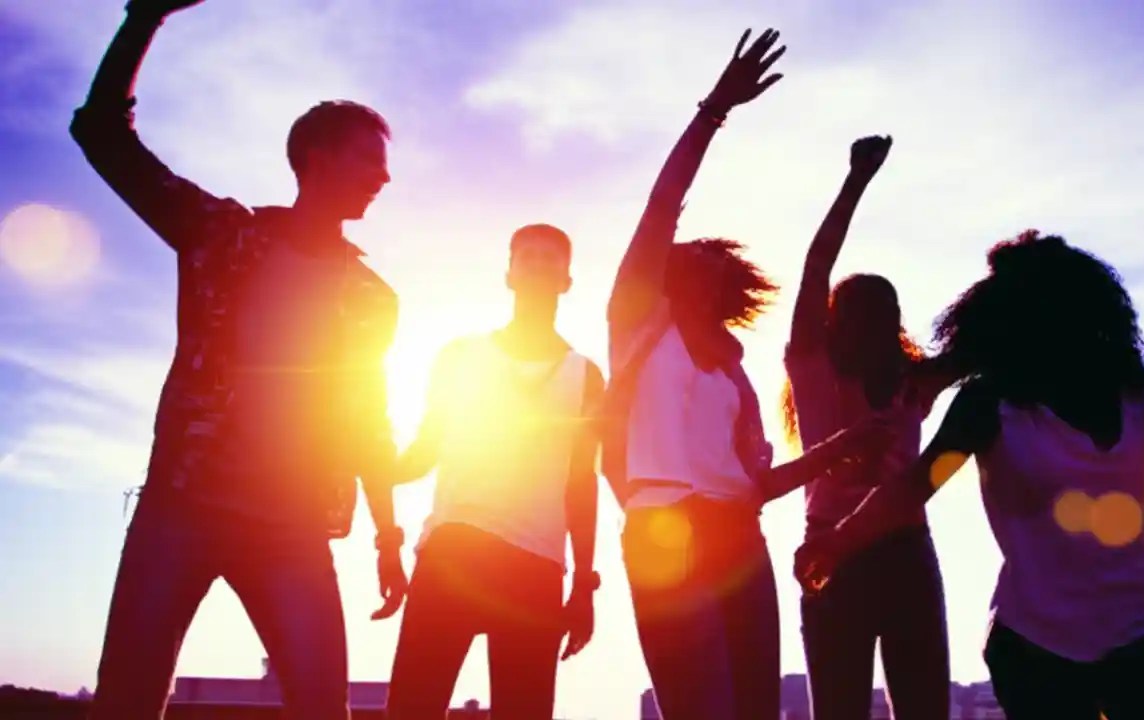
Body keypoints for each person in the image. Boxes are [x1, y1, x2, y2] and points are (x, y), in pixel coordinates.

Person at [71, 2, 407, 718]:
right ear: (316, 156)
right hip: (181, 507)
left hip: (290, 524)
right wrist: (146, 17)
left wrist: (388, 534)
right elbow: (100, 134)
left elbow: (365, 420)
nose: (384, 179)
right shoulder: (221, 234)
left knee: (323, 707)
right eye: (370, 159)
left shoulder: (373, 298)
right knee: (126, 700)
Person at [797, 230, 1144, 720]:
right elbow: (914, 487)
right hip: (1033, 650)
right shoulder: (988, 407)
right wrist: (835, 542)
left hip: (1142, 636)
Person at [604, 28, 876, 720]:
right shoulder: (639, 326)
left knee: (756, 709)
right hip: (665, 531)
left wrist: (831, 453)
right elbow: (660, 206)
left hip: (740, 545)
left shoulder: (734, 375)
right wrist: (712, 111)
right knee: (701, 709)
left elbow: (754, 487)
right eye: (685, 258)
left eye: (710, 265)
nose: (696, 263)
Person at [384, 224, 604, 719]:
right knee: (411, 709)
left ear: (567, 280)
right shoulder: (460, 357)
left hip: (536, 567)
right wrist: (367, 460)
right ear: (509, 274)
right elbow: (422, 452)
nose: (538, 266)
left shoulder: (585, 374)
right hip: (453, 553)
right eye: (528, 257)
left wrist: (584, 584)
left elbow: (581, 483)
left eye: (551, 259)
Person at [781, 135, 953, 720]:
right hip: (831, 551)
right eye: (862, 310)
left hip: (906, 550)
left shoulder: (913, 383)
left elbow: (984, 341)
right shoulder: (813, 366)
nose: (875, 322)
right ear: (835, 318)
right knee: (838, 708)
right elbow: (815, 267)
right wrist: (855, 181)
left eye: (886, 311)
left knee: (924, 705)